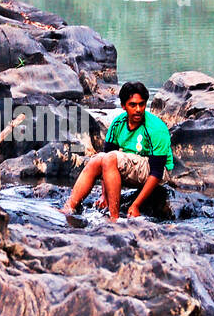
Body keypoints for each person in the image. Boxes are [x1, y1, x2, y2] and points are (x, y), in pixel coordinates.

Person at [59, 81, 174, 221]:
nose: (138, 109)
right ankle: (69, 207)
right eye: (133, 105)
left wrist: (135, 205)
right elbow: (105, 161)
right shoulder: (118, 124)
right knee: (97, 159)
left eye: (141, 104)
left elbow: (157, 172)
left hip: (157, 172)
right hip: (134, 166)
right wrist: (104, 195)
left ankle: (114, 218)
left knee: (109, 158)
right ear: (124, 106)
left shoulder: (156, 128)